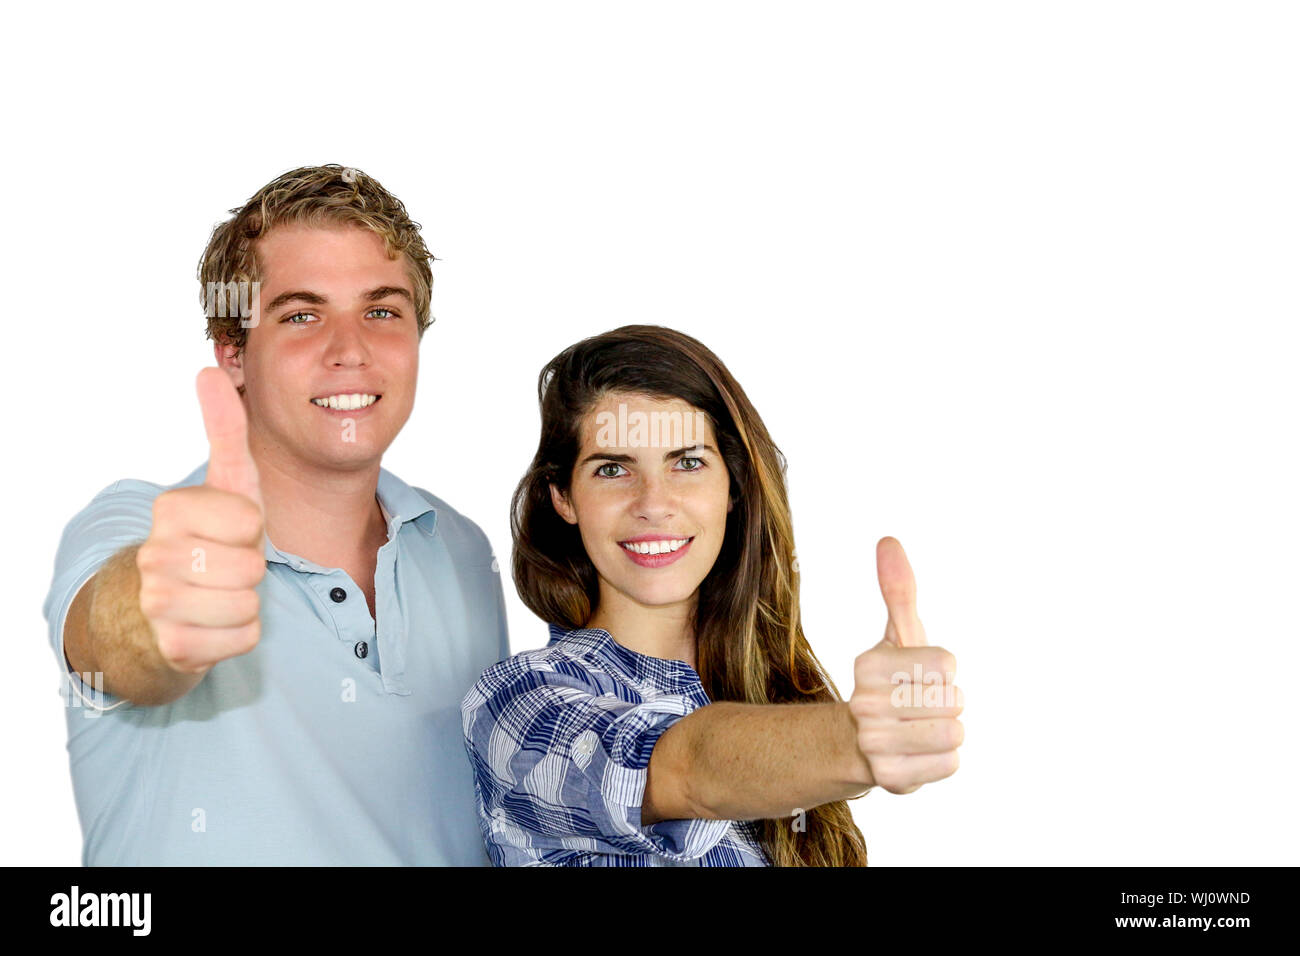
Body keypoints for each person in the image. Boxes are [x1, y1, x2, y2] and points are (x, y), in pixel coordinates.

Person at [43, 165, 509, 865]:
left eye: (382, 310)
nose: (349, 350)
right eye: (301, 315)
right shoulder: (144, 525)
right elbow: (117, 638)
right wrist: (159, 616)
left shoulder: (463, 548)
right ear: (233, 352)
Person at [461, 325, 964, 866]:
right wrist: (858, 740)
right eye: (612, 469)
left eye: (687, 462)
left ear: (733, 488)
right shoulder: (517, 703)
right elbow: (685, 769)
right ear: (563, 497)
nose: (654, 503)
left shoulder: (774, 696)